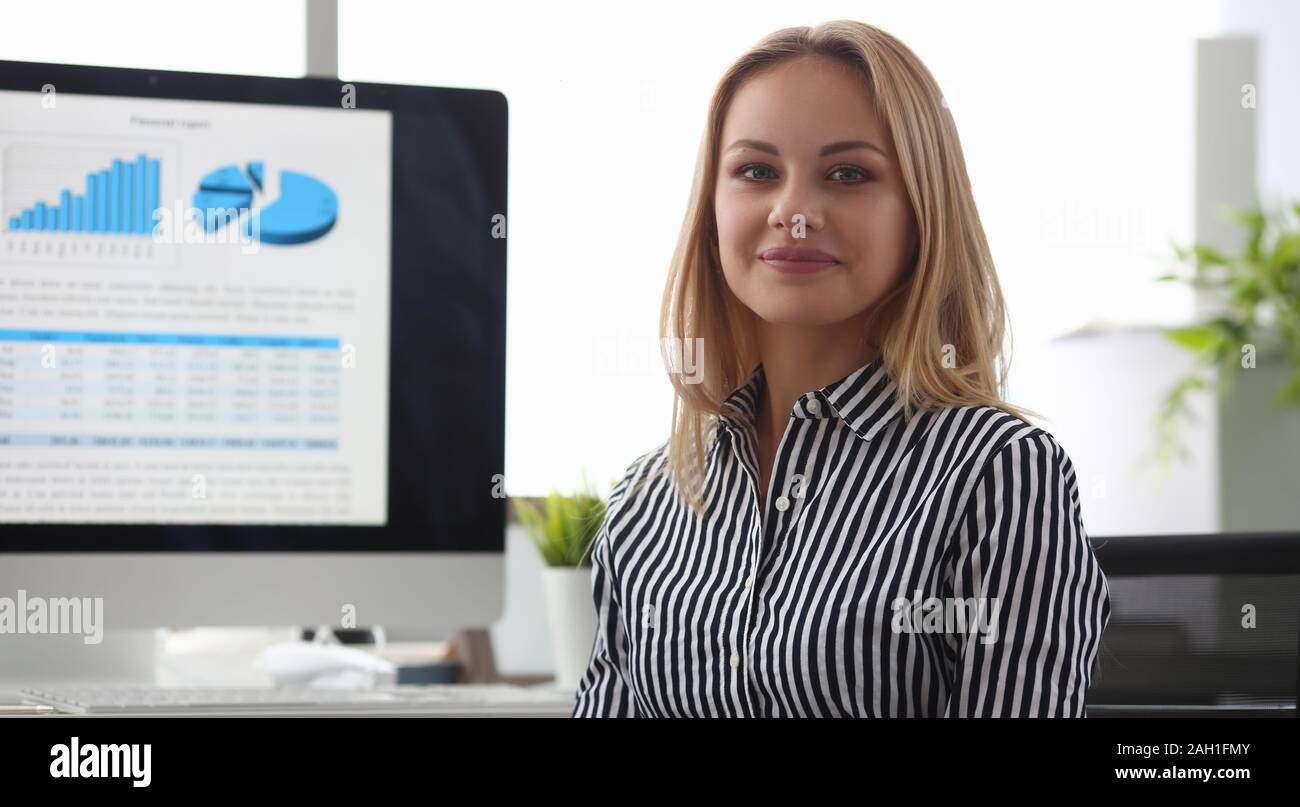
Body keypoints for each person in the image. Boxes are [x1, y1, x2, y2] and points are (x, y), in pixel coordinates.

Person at [572, 20, 1110, 717]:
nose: (793, 212)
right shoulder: (645, 503)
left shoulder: (997, 474)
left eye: (848, 174)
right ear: (712, 208)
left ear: (923, 211)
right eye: (756, 171)